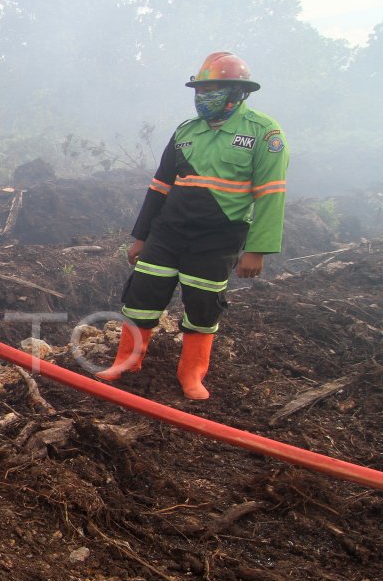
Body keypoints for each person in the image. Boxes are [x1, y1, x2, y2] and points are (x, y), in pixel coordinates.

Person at [97, 51, 288, 400]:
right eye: (200, 90)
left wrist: (257, 250)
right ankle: (126, 361)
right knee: (141, 296)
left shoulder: (263, 133)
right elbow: (159, 187)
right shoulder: (186, 131)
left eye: (213, 89)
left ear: (237, 92)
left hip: (218, 237)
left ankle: (191, 374)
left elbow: (271, 194)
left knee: (203, 305)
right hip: (168, 232)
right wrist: (141, 237)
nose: (203, 97)